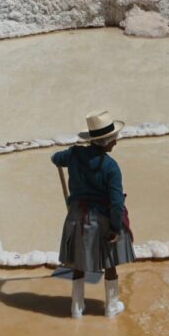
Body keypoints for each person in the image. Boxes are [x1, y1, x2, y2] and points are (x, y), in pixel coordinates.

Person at [50, 110, 134, 318]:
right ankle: (111, 308)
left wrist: (72, 157)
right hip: (101, 217)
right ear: (105, 141)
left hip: (77, 215)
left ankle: (76, 309)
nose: (115, 142)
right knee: (110, 262)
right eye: (113, 139)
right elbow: (115, 203)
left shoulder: (74, 154)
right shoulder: (110, 167)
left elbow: (55, 158)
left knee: (79, 261)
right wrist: (115, 227)